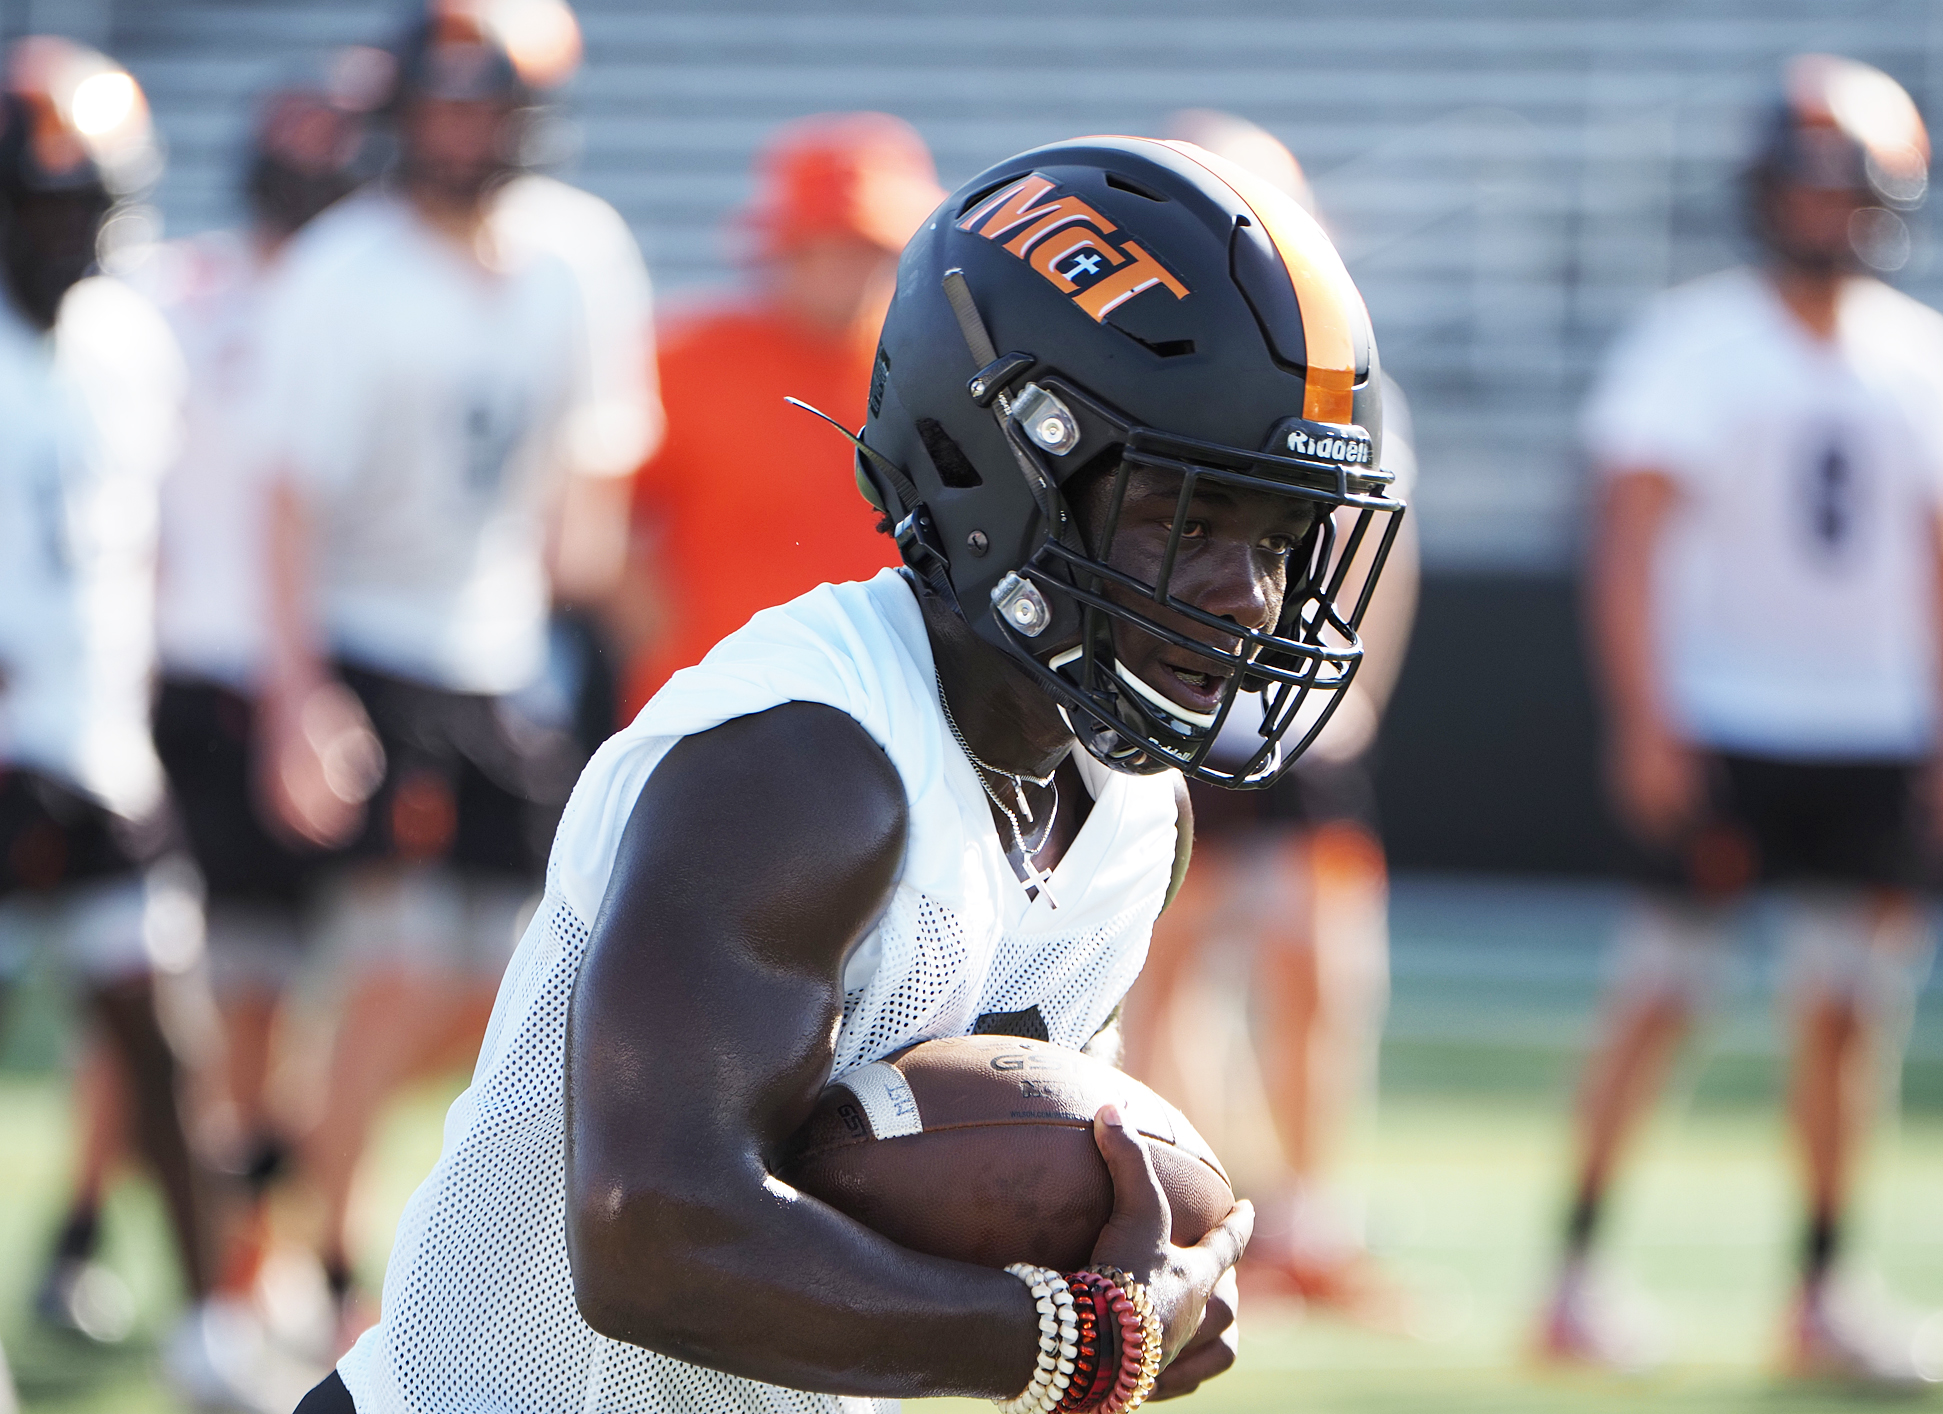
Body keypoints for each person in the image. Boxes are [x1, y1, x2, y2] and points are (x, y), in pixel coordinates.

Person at [289, 133, 1405, 1414]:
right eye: (1185, 519)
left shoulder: (1127, 813)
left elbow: (966, 1184)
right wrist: (1068, 1343)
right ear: (1005, 464)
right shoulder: (807, 763)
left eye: (1275, 537)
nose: (1242, 596)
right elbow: (648, 1234)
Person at [1542, 55, 1943, 1385]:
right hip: (1729, 721)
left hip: (1875, 731)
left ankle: (1821, 1287)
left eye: (1843, 186)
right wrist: (1649, 715)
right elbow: (1624, 543)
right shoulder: (1695, 341)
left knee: (1851, 1014)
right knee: (1663, 993)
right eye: (1803, 183)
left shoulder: (1927, 359)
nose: (1821, 211)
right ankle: (1572, 1268)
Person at [250, 0, 659, 1343]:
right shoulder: (346, 270)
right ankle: (321, 1252)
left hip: (498, 657)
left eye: (481, 108)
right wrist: (298, 694)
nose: (456, 133)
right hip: (369, 642)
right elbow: (289, 500)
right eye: (438, 105)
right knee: (396, 962)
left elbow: (585, 500)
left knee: (522, 985)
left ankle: (272, 1152)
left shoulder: (575, 256)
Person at [0, 33, 290, 1408]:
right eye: (34, 209)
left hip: (99, 747)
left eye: (80, 209)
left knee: (163, 1046)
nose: (62, 236)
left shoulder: (131, 340)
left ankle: (206, 1332)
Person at [1119, 110, 1421, 1327]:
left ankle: (1303, 1216)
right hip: (1157, 686)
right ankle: (1196, 1204)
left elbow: (1374, 549)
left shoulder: (1344, 362)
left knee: (1323, 960)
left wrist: (1339, 708)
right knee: (1161, 963)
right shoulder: (1142, 352)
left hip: (1283, 698)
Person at [614, 111, 941, 718]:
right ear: (783, 246)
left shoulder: (936, 369)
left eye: (863, 248)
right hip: (715, 697)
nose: (843, 270)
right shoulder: (686, 362)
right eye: (823, 246)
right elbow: (605, 514)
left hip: (892, 699)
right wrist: (658, 631)